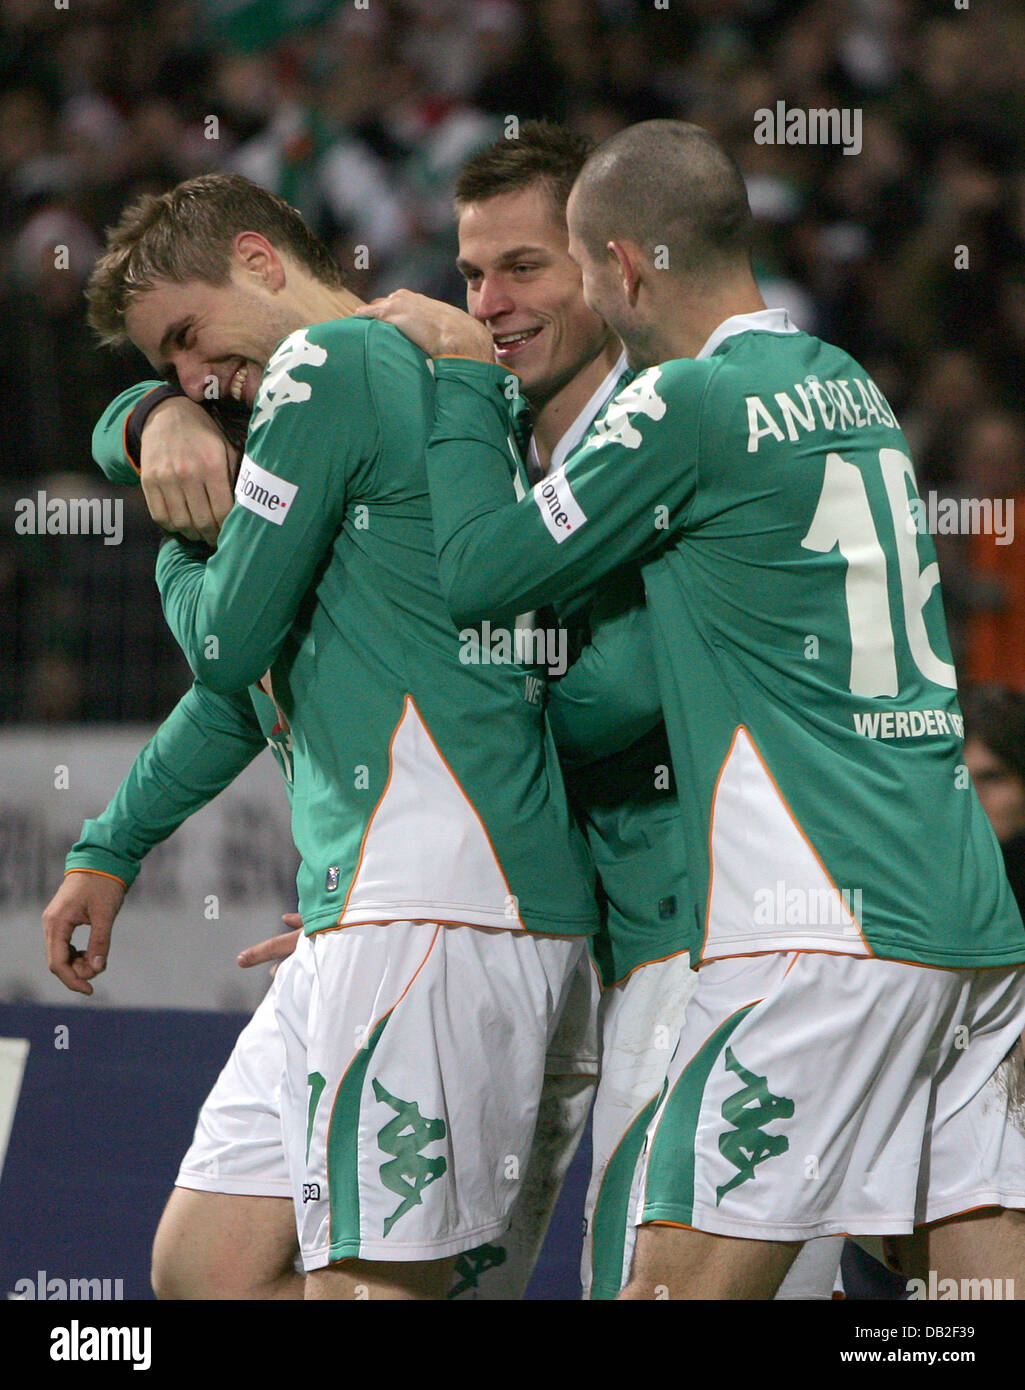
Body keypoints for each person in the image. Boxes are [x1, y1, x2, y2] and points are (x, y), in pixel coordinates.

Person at [361, 118, 1025, 1299]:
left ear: (619, 266)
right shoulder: (845, 382)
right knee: (968, 1290)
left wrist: (463, 378)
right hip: (963, 917)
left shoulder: (680, 407)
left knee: (664, 1286)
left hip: (812, 926)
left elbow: (479, 571)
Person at [61, 171, 602, 1302]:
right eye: (169, 368)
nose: (196, 379)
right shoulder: (360, 389)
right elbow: (249, 689)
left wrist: (173, 542)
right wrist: (112, 847)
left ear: (261, 261)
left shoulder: (331, 363)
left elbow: (221, 645)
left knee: (370, 1290)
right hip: (379, 902)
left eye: (190, 340)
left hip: (442, 892)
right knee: (204, 1269)